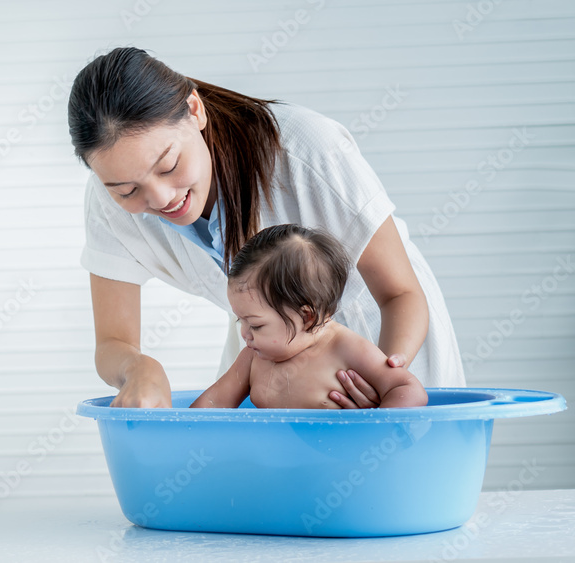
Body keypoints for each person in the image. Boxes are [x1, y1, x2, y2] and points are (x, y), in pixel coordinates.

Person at [67, 47, 465, 409]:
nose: (159, 198)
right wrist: (139, 368)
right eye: (127, 190)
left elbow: (400, 293)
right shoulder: (107, 203)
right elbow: (112, 343)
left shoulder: (305, 150)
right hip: (270, 362)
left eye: (168, 166)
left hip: (382, 344)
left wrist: (380, 383)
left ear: (194, 110)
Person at [190, 224, 428, 410]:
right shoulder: (252, 359)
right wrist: (179, 432)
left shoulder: (346, 348)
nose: (244, 334)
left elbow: (407, 388)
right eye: (240, 320)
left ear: (307, 318)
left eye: (256, 325)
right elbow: (214, 402)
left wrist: (377, 429)